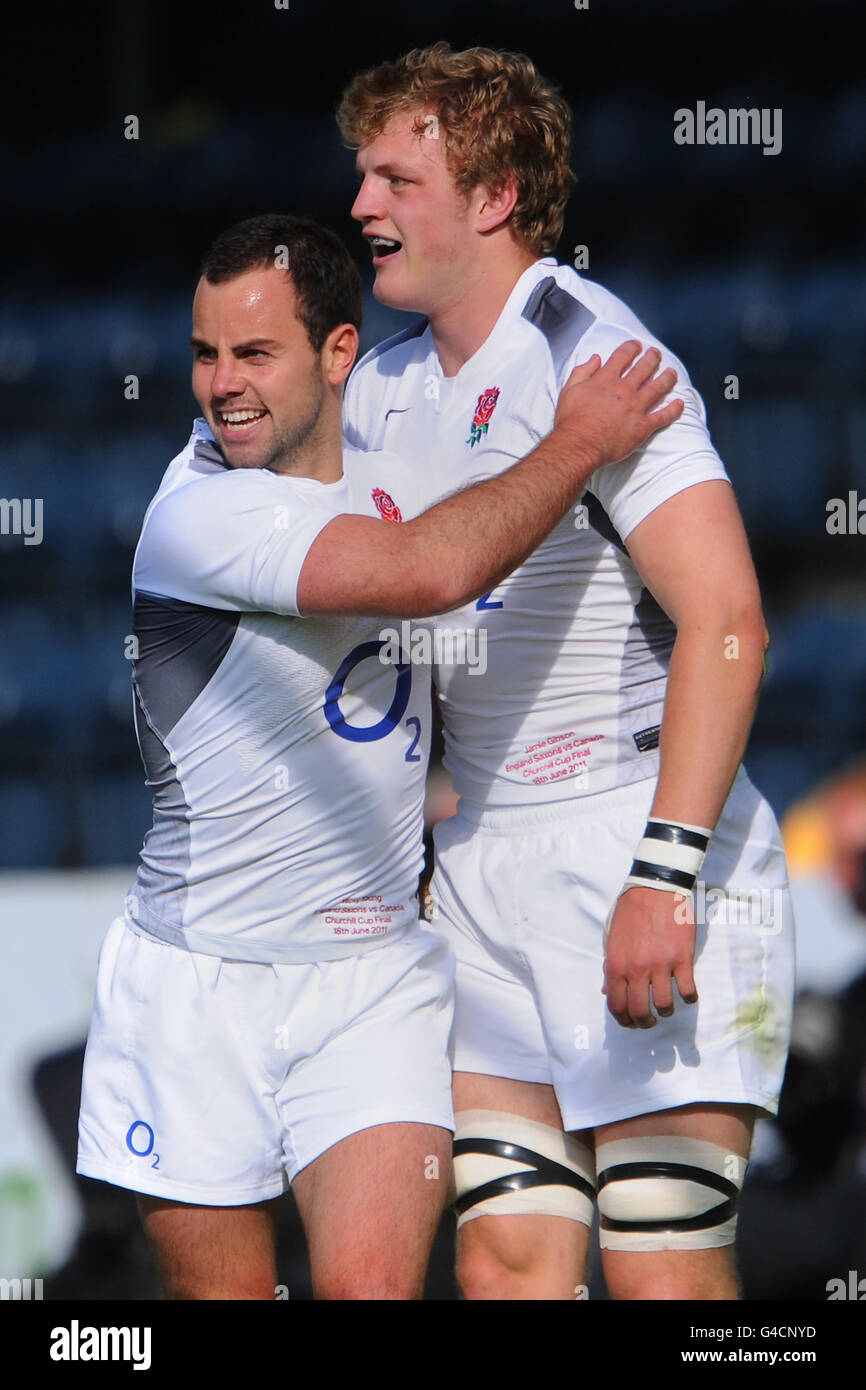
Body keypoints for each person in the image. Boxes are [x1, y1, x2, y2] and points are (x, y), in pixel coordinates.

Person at [75, 212, 680, 1301]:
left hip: (373, 980)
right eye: (204, 354)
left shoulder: (395, 463)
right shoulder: (201, 514)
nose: (223, 385)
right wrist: (581, 436)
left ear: (338, 354)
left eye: (254, 352)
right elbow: (423, 575)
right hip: (198, 983)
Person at [338, 43, 796, 1301]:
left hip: (635, 848)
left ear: (490, 196)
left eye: (393, 177)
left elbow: (726, 619)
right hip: (480, 873)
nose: (362, 205)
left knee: (662, 1272)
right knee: (504, 1263)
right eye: (360, 176)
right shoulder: (377, 388)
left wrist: (664, 872)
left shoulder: (594, 355)